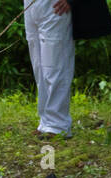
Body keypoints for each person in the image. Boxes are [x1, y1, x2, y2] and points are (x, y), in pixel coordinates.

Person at [24, 0, 75, 138]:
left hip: (54, 5)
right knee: (39, 66)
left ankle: (58, 125)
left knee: (55, 64)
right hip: (30, 5)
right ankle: (46, 122)